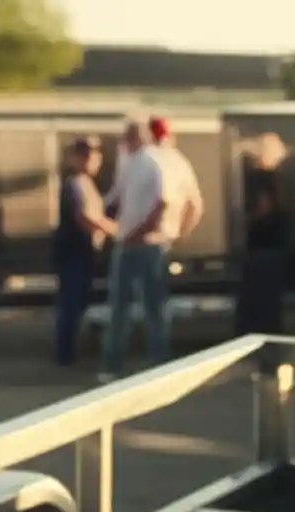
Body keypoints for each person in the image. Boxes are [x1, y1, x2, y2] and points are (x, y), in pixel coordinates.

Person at [99, 119, 200, 382]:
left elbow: (161, 203)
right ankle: (149, 364)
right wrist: (178, 235)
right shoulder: (147, 162)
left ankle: (121, 364)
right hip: (146, 242)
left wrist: (136, 233)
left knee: (128, 307)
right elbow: (118, 198)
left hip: (142, 243)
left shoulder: (148, 163)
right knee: (147, 308)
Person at [53, 138, 115, 367]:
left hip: (83, 252)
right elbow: (85, 217)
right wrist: (115, 230)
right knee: (71, 302)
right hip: (75, 251)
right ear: (75, 158)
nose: (92, 160)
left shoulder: (86, 184)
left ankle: (69, 349)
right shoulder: (76, 183)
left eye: (95, 156)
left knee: (77, 301)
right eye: (86, 156)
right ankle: (65, 353)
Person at [235, 133, 289, 335]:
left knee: (256, 294)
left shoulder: (259, 179)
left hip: (260, 244)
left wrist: (246, 222)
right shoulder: (278, 179)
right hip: (274, 244)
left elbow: (263, 206)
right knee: (270, 297)